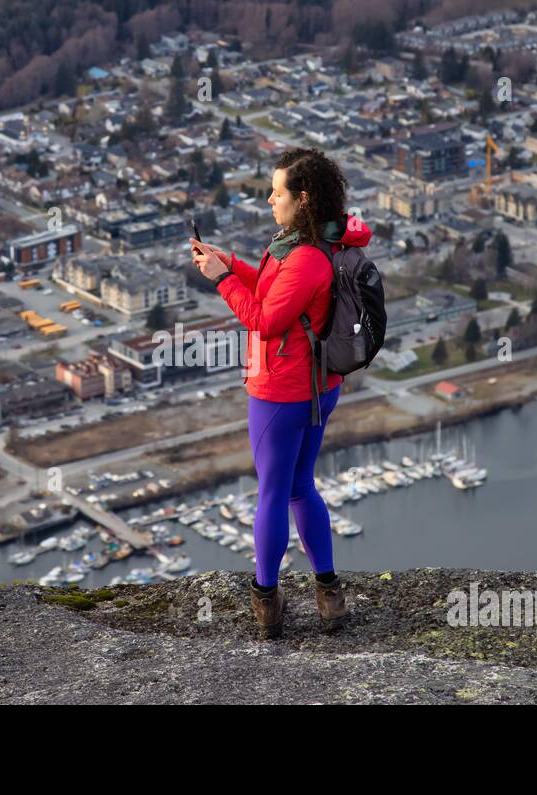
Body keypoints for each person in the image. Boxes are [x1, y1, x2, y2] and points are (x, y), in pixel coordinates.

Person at [191, 147, 371, 637]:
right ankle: (329, 596)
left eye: (279, 191)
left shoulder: (307, 257)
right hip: (318, 386)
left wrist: (222, 281)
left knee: (272, 493)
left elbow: (265, 321)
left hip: (283, 391)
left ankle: (267, 604)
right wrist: (229, 264)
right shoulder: (316, 243)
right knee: (299, 487)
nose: (270, 198)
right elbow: (275, 292)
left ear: (303, 198)